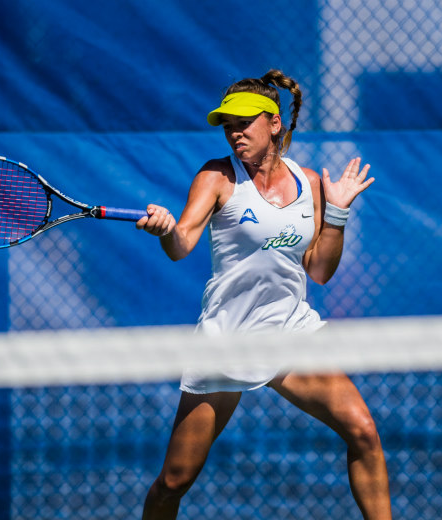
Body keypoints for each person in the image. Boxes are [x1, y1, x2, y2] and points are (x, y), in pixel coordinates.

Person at [136, 69, 392, 519]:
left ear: (274, 123)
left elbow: (319, 271)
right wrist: (165, 229)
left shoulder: (310, 181)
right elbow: (181, 245)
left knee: (363, 432)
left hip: (289, 332)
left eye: (244, 123)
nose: (234, 133)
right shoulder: (216, 177)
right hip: (228, 339)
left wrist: (336, 214)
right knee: (175, 480)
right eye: (228, 125)